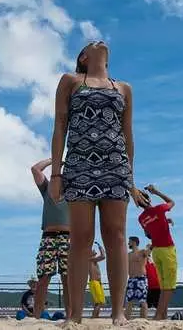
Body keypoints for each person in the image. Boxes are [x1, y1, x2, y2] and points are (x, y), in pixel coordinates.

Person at [49, 40, 147, 325]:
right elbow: (59, 126)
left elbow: (128, 136)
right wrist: (56, 174)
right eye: (90, 44)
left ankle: (118, 313)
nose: (98, 41)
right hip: (79, 164)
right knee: (80, 238)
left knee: (116, 235)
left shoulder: (124, 88)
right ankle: (75, 315)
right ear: (83, 57)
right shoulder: (71, 80)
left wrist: (130, 179)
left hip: (115, 164)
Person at [30, 158, 70, 319]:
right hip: (48, 237)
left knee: (67, 278)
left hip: (68, 237)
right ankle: (37, 317)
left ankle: (71, 316)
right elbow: (35, 169)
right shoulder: (47, 188)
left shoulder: (72, 192)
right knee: (43, 278)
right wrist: (54, 160)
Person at [137, 185, 177, 320]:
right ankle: (158, 314)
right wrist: (156, 192)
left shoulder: (141, 218)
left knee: (164, 285)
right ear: (148, 200)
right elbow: (171, 202)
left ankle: (163, 314)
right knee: (170, 286)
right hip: (167, 249)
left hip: (156, 251)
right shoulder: (158, 209)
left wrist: (164, 221)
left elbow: (149, 234)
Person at [125, 236, 150, 319]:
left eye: (129, 241)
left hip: (141, 279)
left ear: (134, 242)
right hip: (131, 279)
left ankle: (144, 321)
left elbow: (149, 251)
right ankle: (126, 320)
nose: (128, 243)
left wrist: (150, 247)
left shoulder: (142, 252)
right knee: (129, 301)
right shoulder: (128, 255)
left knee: (142, 302)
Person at [88, 242, 106, 318]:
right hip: (94, 282)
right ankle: (94, 317)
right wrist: (100, 247)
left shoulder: (93, 260)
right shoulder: (90, 259)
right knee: (98, 302)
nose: (94, 250)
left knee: (100, 302)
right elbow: (103, 256)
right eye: (92, 250)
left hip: (97, 282)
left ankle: (96, 316)